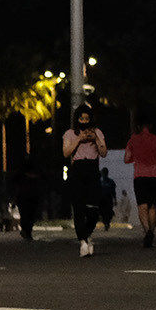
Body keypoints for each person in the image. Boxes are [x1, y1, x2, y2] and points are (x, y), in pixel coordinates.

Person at [61, 103, 109, 256]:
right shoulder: (69, 134)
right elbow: (66, 153)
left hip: (93, 170)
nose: (84, 121)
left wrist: (96, 139)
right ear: (77, 119)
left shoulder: (97, 132)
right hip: (77, 171)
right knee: (79, 208)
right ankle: (82, 241)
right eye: (81, 119)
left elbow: (104, 152)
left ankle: (87, 234)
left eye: (87, 118)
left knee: (93, 208)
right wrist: (79, 139)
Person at [124, 119, 156, 247]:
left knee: (142, 206)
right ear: (151, 126)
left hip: (140, 176)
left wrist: (137, 157)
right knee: (152, 206)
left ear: (139, 127)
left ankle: (147, 231)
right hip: (155, 175)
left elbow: (126, 158)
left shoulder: (133, 140)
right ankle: (151, 231)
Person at [98, 166, 117, 231]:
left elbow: (113, 191)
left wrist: (115, 199)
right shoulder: (100, 181)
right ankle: (106, 223)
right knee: (103, 213)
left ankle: (107, 223)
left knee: (107, 213)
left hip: (108, 199)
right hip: (102, 200)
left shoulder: (110, 182)